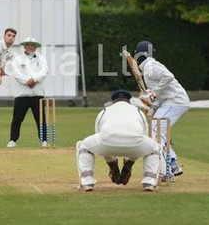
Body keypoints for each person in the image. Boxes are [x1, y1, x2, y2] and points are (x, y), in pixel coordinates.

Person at [76, 90, 162, 192]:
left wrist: (112, 164)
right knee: (155, 147)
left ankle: (87, 182)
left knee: (83, 145)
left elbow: (99, 136)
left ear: (112, 101)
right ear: (129, 101)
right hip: (135, 146)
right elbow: (143, 137)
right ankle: (150, 182)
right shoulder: (138, 111)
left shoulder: (105, 110)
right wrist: (130, 162)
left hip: (107, 144)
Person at [135, 40, 189, 176]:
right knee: (156, 129)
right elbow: (159, 94)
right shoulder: (148, 67)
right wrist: (151, 104)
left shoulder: (150, 65)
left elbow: (168, 77)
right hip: (170, 102)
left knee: (156, 128)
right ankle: (171, 165)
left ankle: (171, 164)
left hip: (176, 101)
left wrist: (154, 92)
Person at [6, 37, 48, 148]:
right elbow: (16, 73)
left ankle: (44, 140)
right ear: (24, 46)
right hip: (22, 94)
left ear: (35, 46)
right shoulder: (18, 59)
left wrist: (34, 80)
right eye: (28, 45)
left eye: (32, 45)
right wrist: (27, 81)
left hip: (37, 93)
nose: (30, 47)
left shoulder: (41, 58)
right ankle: (13, 140)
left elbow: (44, 71)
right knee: (17, 119)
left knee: (41, 119)